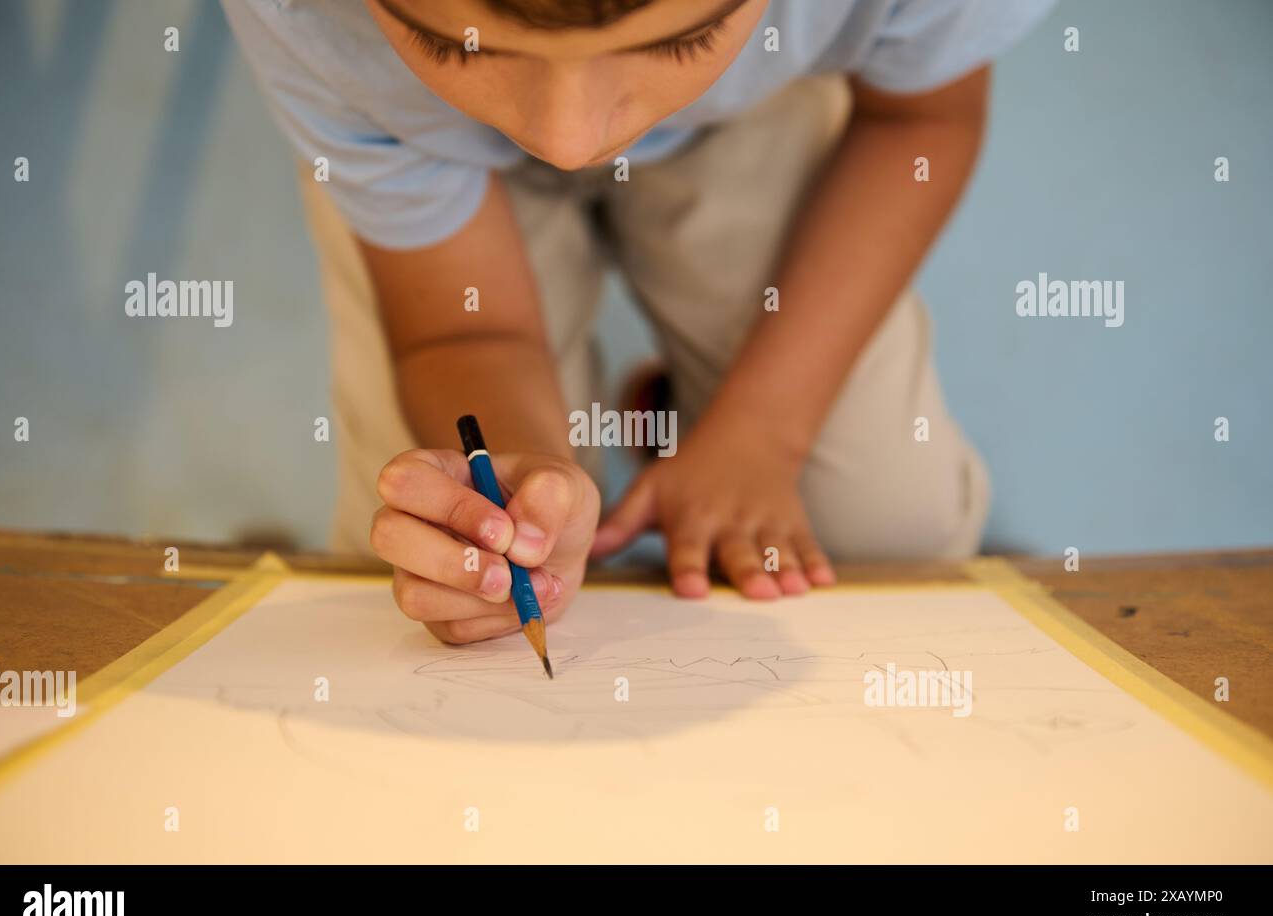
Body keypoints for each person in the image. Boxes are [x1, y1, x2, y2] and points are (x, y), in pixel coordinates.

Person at [223, 0, 1055, 643]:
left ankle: (698, 415)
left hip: (748, 99)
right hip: (419, 131)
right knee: (419, 565)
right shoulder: (316, 17)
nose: (568, 137)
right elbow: (462, 333)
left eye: (675, 40)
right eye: (455, 44)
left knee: (887, 531)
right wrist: (528, 483)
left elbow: (920, 120)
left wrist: (760, 435)